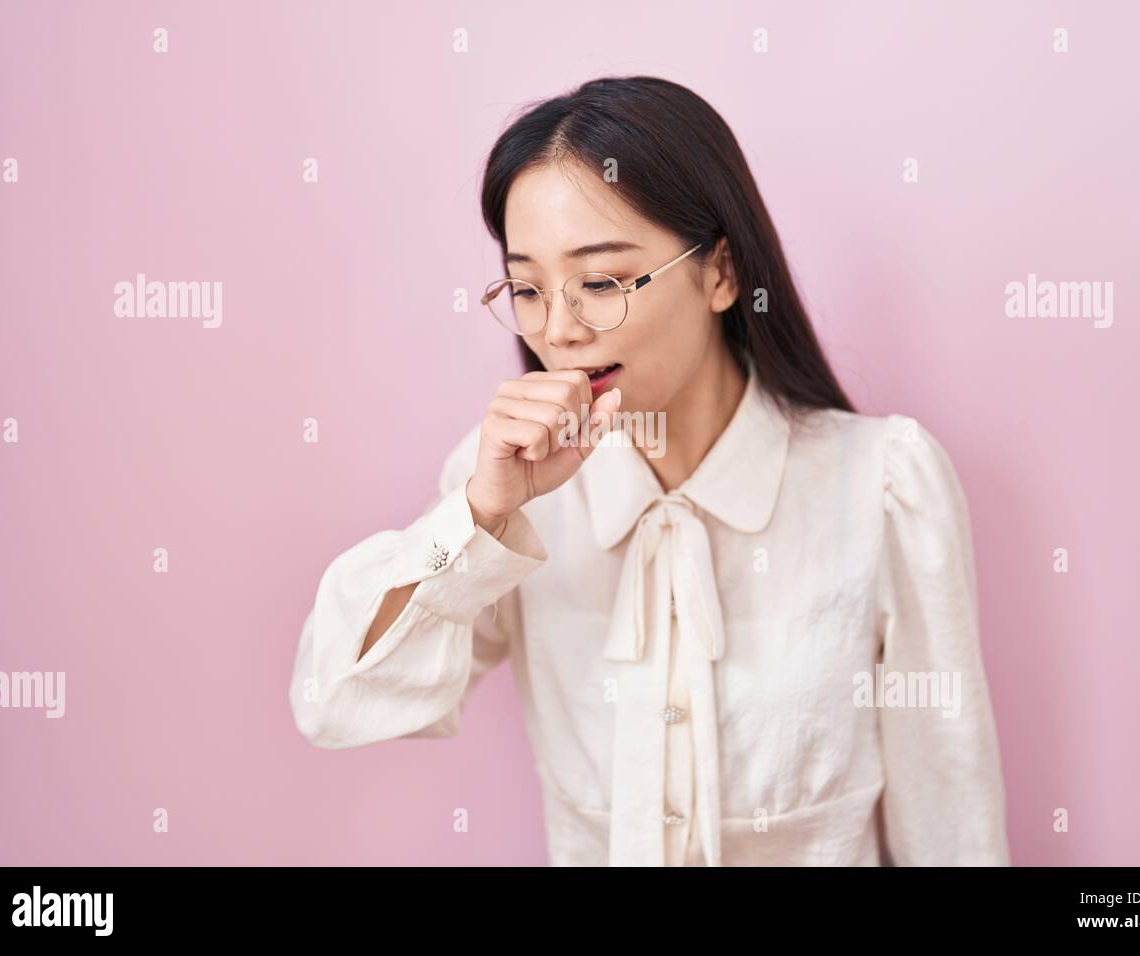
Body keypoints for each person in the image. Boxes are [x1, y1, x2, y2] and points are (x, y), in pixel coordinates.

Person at [288, 75, 1011, 867]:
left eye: (600, 281)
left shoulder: (881, 485)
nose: (558, 331)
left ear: (721, 273)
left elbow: (949, 811)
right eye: (527, 288)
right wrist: (478, 516)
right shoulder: (506, 490)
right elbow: (338, 702)